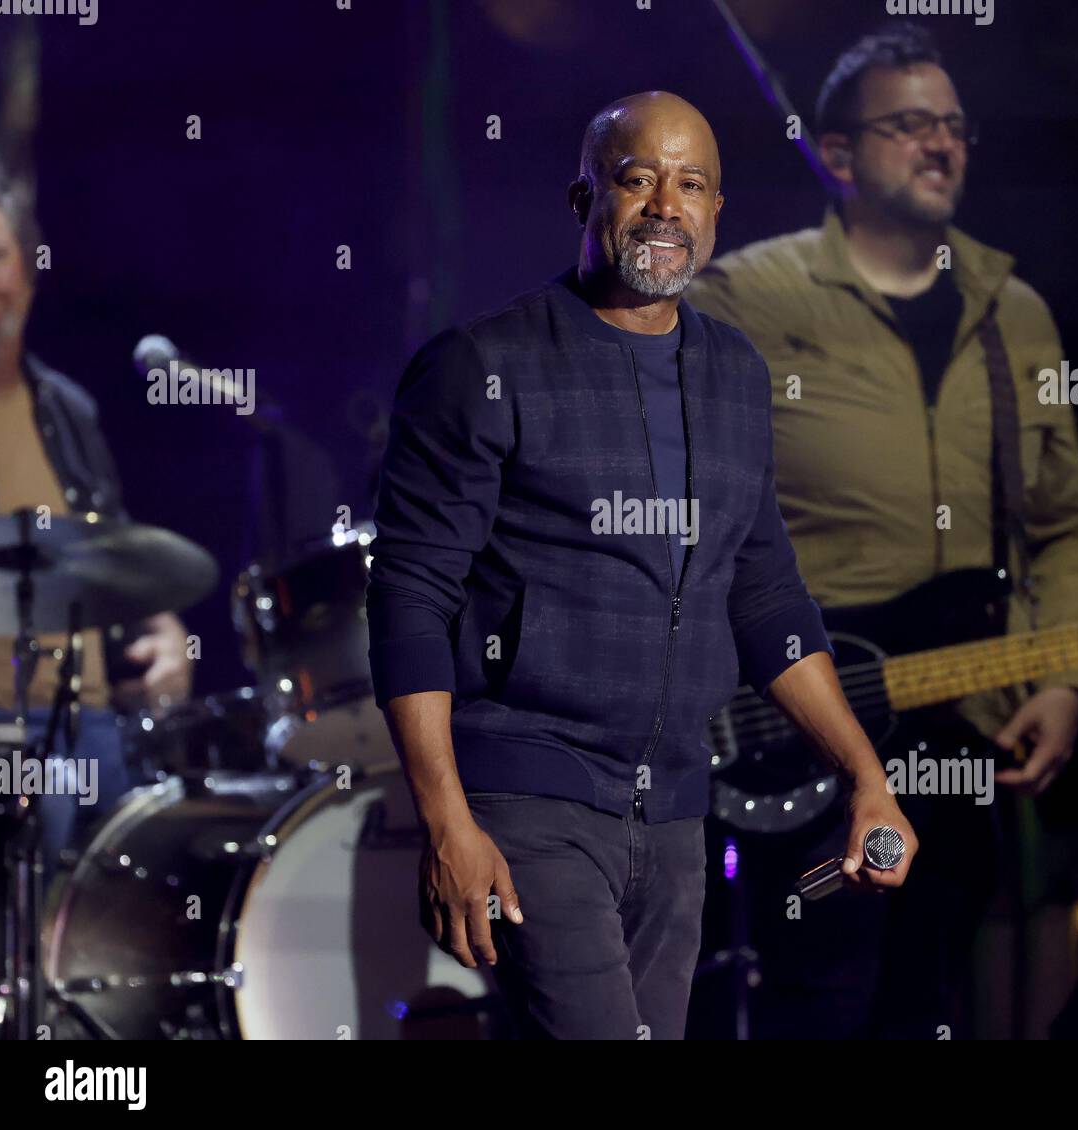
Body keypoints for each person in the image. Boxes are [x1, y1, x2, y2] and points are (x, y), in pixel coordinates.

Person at [366, 91, 917, 1040]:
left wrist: (867, 775)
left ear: (715, 215)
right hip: (530, 800)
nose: (666, 203)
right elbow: (409, 595)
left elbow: (766, 591)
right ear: (585, 201)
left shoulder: (735, 374)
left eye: (691, 183)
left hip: (675, 817)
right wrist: (446, 821)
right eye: (637, 178)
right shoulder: (483, 364)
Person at [685, 23, 1078, 1037]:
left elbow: (1063, 526)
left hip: (969, 725)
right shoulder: (747, 296)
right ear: (837, 155)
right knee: (815, 1004)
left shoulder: (1016, 314)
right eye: (909, 123)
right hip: (800, 727)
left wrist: (1066, 680)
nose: (940, 143)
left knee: (938, 1001)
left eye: (954, 125)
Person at [0, 164, 194, 878]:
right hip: (2, 734)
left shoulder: (66, 409)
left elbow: (117, 552)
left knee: (115, 929)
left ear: (29, 271)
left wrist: (166, 632)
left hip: (96, 727)